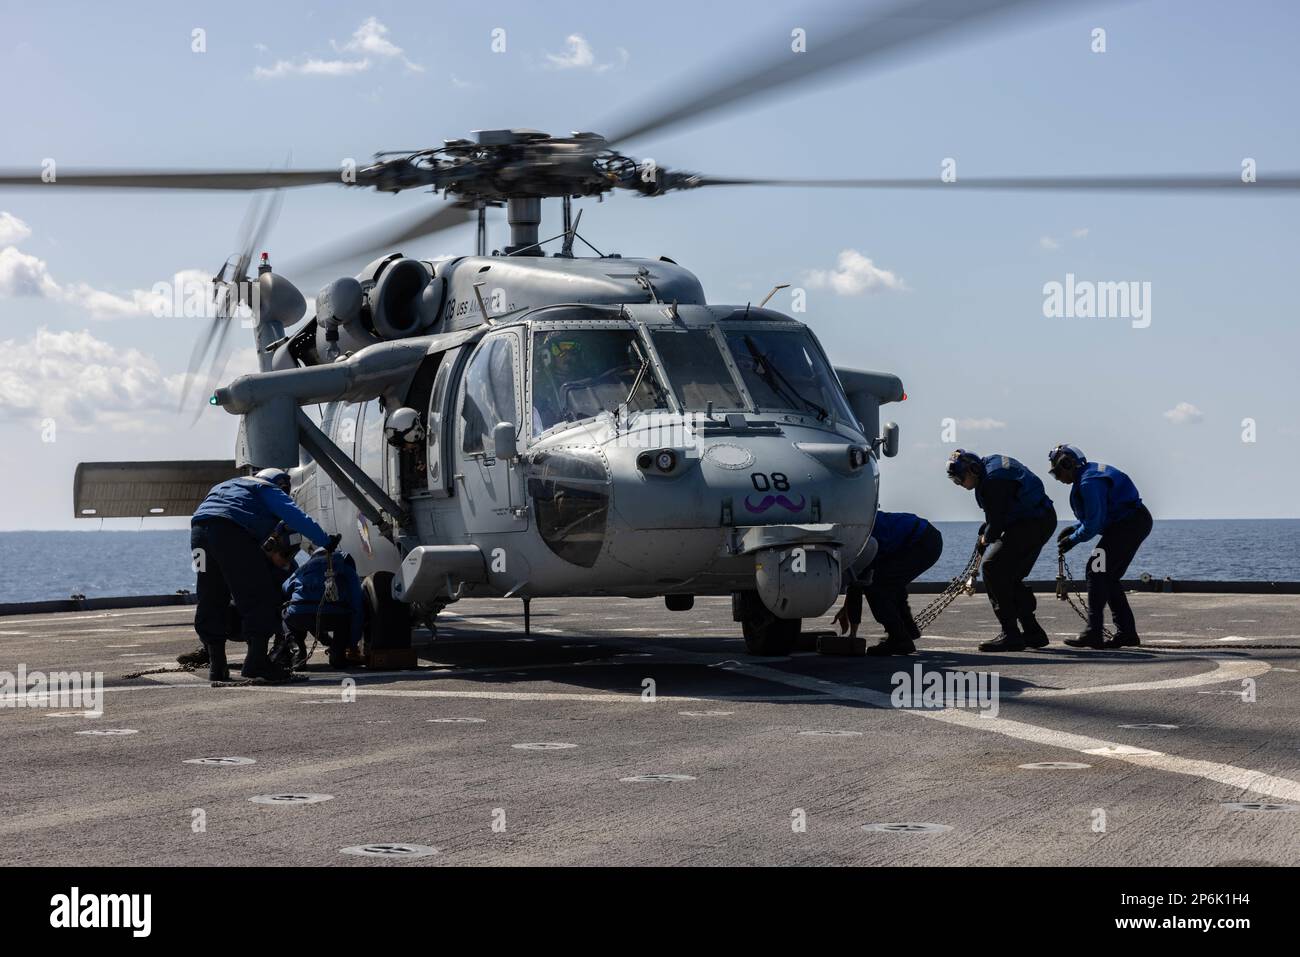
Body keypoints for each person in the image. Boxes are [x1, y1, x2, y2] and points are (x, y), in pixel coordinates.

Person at [190, 468, 339, 682]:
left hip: (198, 534)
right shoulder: (267, 488)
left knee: (210, 595)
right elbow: (296, 516)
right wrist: (325, 541)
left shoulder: (225, 485)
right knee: (257, 597)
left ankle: (217, 666)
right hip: (230, 532)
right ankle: (256, 663)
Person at [947, 449, 1057, 652]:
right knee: (1009, 576)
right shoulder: (990, 466)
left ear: (972, 469)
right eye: (956, 481)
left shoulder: (992, 483)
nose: (960, 484)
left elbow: (997, 522)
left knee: (992, 568)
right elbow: (1001, 510)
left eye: (960, 479)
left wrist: (985, 537)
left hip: (1032, 523)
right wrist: (988, 530)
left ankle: (1011, 634)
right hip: (1039, 519)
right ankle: (1033, 633)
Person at [1048, 444, 1153, 649]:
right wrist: (1074, 528)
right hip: (1129, 523)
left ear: (1067, 464)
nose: (1059, 479)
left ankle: (1094, 632)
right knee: (1107, 576)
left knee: (1095, 570)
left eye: (1057, 472)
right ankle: (1126, 633)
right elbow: (1100, 514)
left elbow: (1094, 523)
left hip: (1129, 525)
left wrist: (1073, 540)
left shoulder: (1089, 482)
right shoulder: (1089, 474)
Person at [831, 509, 943, 656]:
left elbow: (858, 583)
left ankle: (900, 639)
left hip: (922, 542)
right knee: (891, 582)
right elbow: (857, 580)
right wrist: (847, 612)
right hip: (926, 537)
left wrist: (853, 634)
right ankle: (908, 630)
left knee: (877, 587)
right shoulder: (859, 522)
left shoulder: (860, 538)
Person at [280, 547, 366, 670]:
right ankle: (338, 655)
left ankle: (298, 652)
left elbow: (285, 588)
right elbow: (358, 606)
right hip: (335, 616)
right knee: (345, 617)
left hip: (300, 615)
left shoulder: (303, 568)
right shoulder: (346, 569)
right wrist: (351, 643)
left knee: (287, 615)